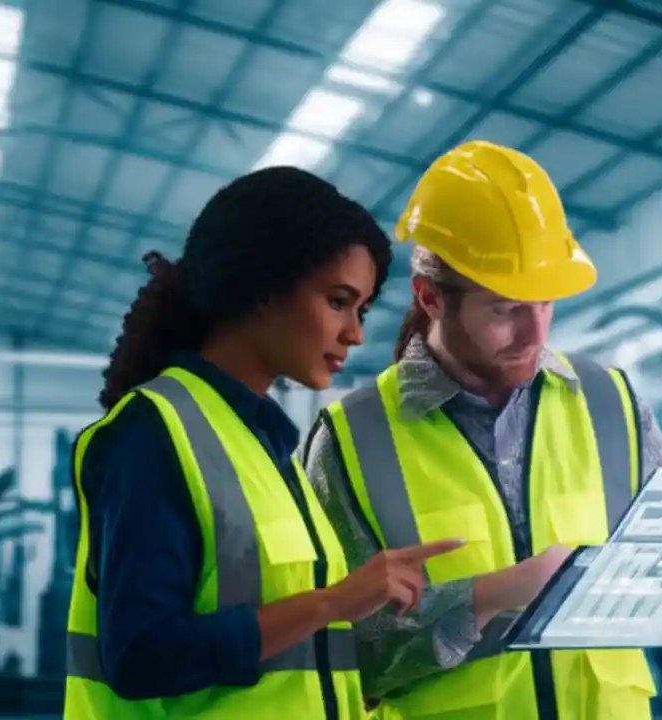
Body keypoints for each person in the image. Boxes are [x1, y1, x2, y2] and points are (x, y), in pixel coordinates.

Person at [303, 141, 662, 720]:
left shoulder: (611, 403)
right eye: (505, 309)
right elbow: (336, 654)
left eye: (545, 304)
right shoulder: (354, 438)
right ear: (430, 298)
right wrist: (488, 596)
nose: (533, 333)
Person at [62, 167, 463, 719]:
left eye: (362, 310)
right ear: (262, 290)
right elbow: (142, 657)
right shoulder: (151, 435)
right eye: (338, 301)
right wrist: (333, 602)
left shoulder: (266, 451)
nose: (355, 334)